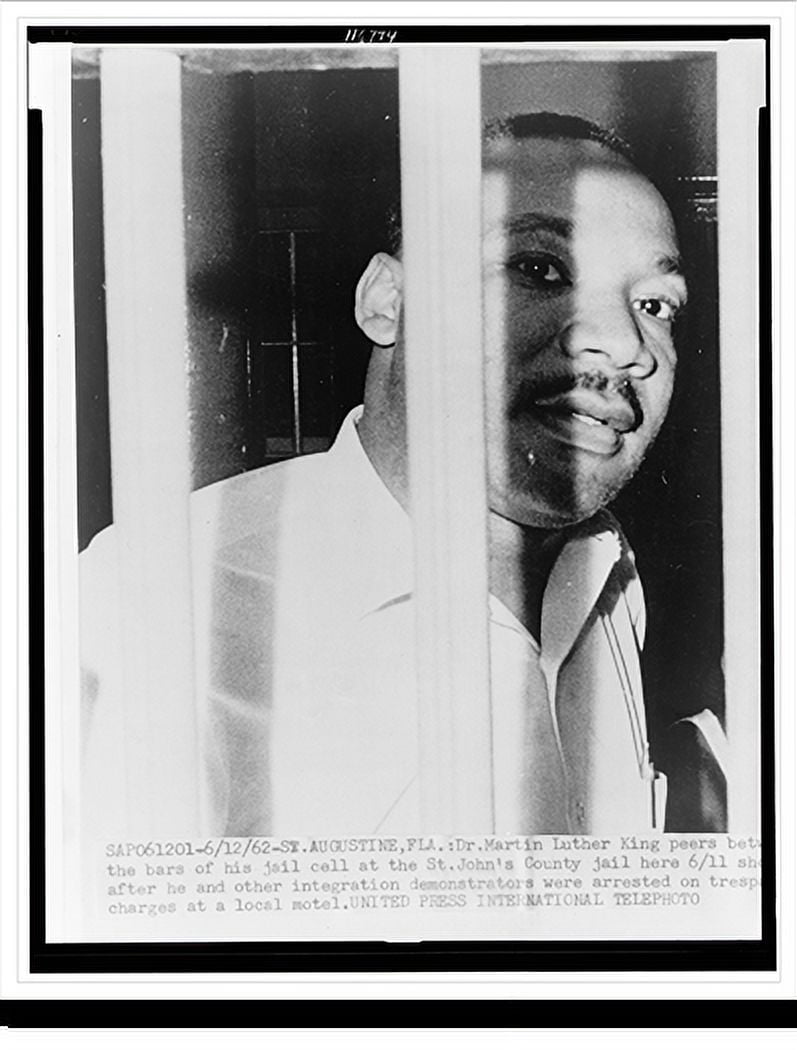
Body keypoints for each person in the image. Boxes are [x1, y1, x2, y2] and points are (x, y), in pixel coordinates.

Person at [80, 113, 727, 838]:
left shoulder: (608, 576)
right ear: (387, 301)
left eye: (653, 304)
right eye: (538, 268)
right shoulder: (158, 607)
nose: (624, 345)